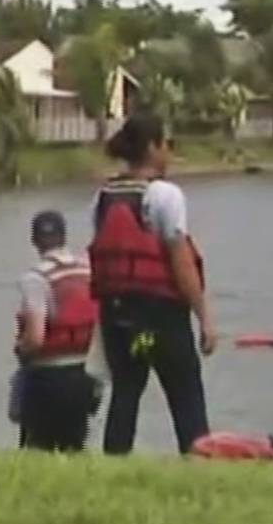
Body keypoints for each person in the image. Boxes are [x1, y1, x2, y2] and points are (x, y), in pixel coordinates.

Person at [89, 114, 217, 455]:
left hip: (117, 315)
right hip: (161, 316)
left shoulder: (103, 196)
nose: (169, 153)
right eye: (166, 145)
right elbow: (181, 260)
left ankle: (114, 463)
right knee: (185, 392)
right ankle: (198, 458)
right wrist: (204, 316)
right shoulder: (165, 196)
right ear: (152, 147)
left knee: (126, 390)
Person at [15, 210, 102, 452]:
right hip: (87, 372)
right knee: (74, 446)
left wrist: (20, 351)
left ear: (34, 240)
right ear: (64, 236)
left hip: (49, 376)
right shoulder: (87, 269)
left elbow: (35, 338)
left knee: (37, 448)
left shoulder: (35, 277)